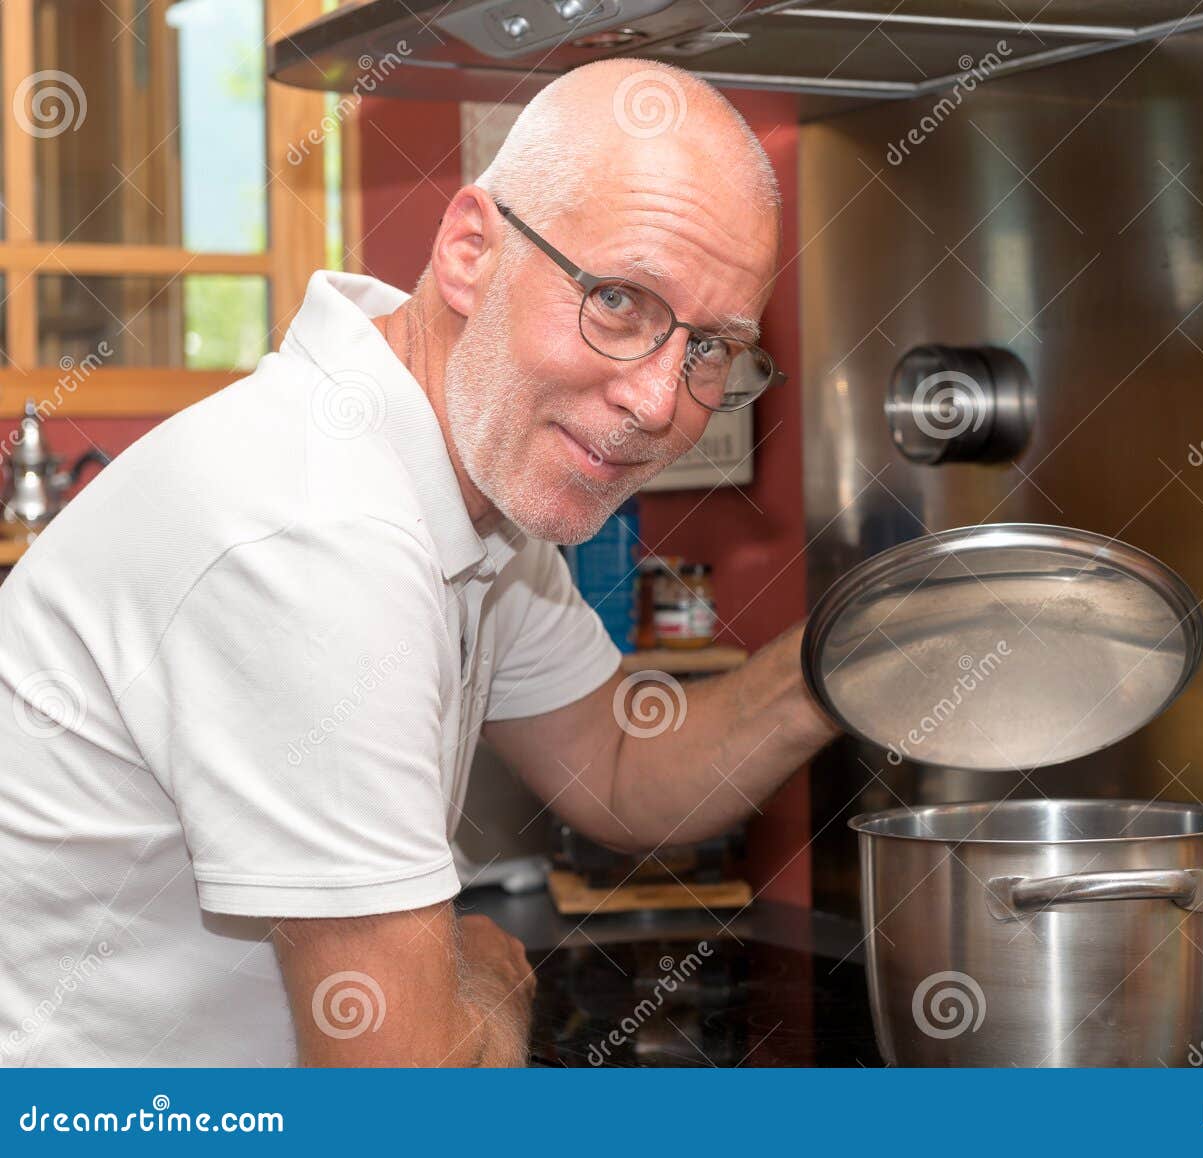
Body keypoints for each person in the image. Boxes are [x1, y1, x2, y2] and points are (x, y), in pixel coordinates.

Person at [0, 59, 837, 1067]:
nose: (658, 402)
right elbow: (404, 1108)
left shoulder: (476, 472)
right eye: (618, 300)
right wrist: (485, 971)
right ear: (470, 251)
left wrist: (846, 656)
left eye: (710, 349)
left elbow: (622, 767)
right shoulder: (316, 534)